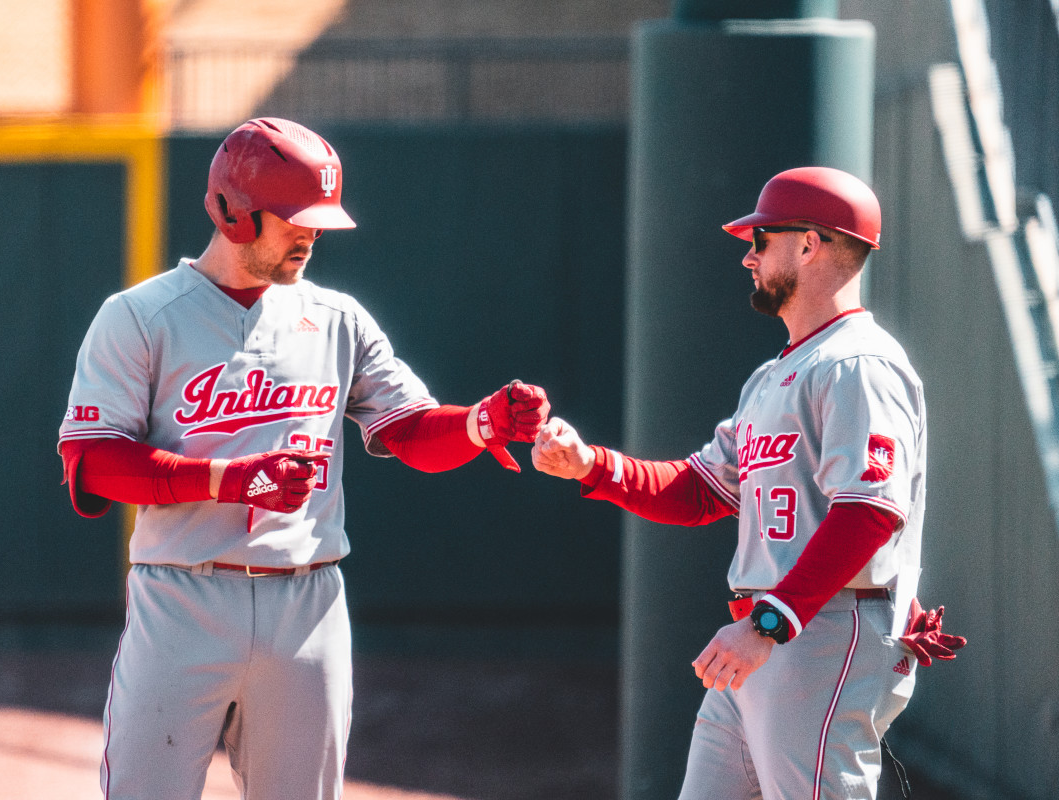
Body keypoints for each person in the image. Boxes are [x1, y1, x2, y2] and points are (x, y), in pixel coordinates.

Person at [57, 117, 549, 800]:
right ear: (232, 211)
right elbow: (93, 461)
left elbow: (409, 430)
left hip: (307, 602)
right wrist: (231, 480)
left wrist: (479, 423)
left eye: (319, 220)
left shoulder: (338, 318)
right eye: (294, 217)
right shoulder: (140, 316)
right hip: (182, 596)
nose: (311, 234)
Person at [531, 166, 965, 799]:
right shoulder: (771, 377)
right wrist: (592, 465)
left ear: (810, 245)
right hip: (769, 632)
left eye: (762, 239)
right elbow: (700, 491)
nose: (748, 256)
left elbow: (869, 513)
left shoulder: (859, 363)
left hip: (823, 630)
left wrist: (767, 626)